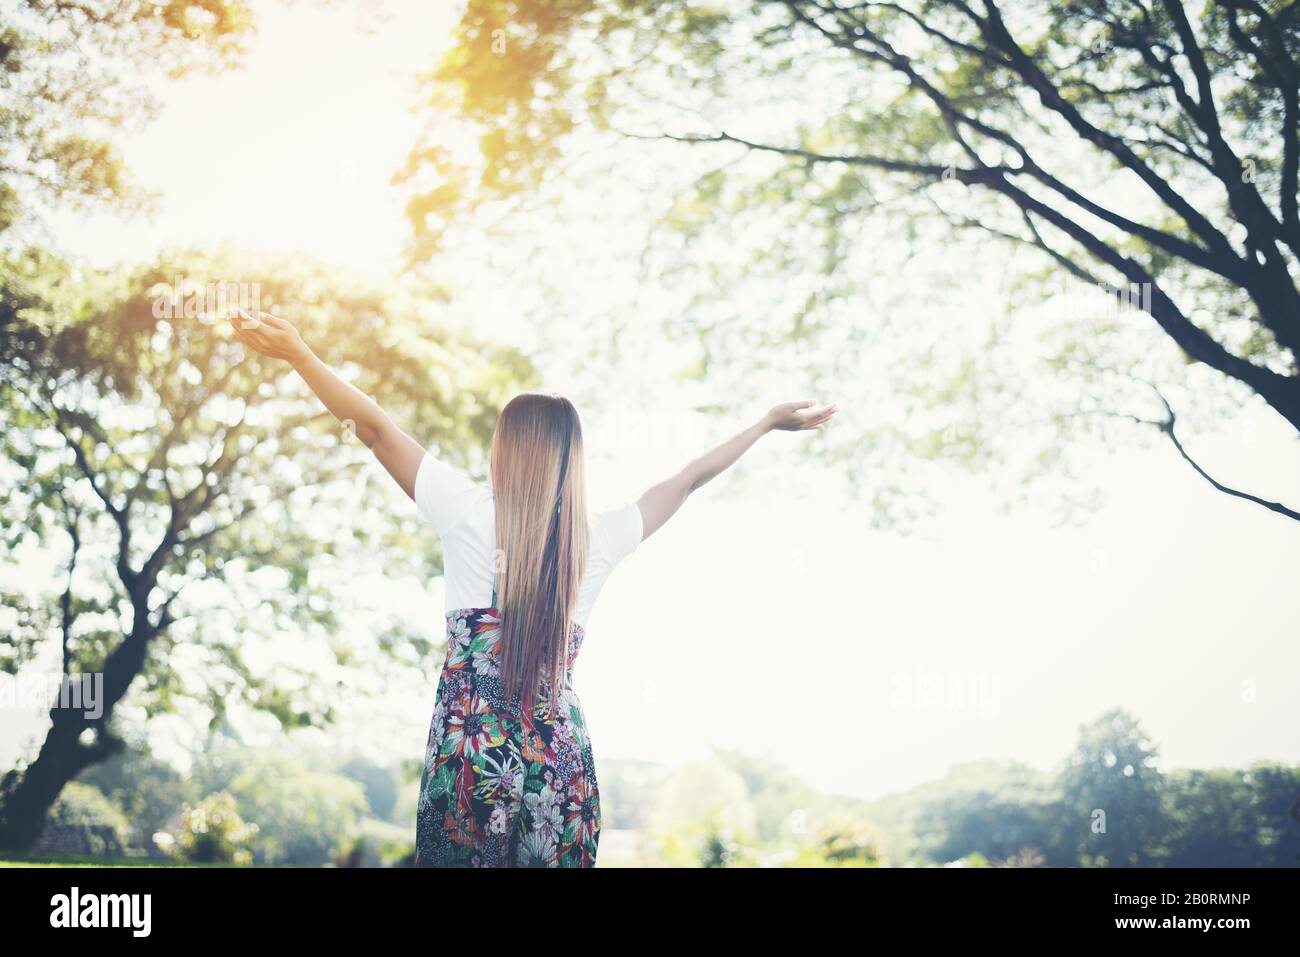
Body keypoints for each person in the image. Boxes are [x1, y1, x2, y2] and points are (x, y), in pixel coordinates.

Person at [229, 308, 837, 867]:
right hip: (559, 757)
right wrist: (763, 424)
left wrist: (301, 354)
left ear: (504, 450)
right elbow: (686, 480)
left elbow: (373, 427)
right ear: (573, 459)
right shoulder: (595, 539)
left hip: (473, 754)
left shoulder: (466, 512)